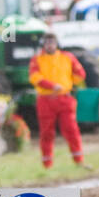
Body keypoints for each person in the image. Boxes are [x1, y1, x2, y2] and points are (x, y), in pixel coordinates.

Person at [27, 29, 85, 169]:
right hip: (46, 99)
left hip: (64, 99)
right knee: (47, 132)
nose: (49, 45)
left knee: (71, 129)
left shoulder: (67, 57)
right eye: (47, 43)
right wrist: (52, 86)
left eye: (52, 42)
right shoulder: (37, 59)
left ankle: (78, 160)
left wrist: (68, 84)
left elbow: (80, 74)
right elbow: (35, 78)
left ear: (56, 43)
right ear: (43, 44)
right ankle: (47, 163)